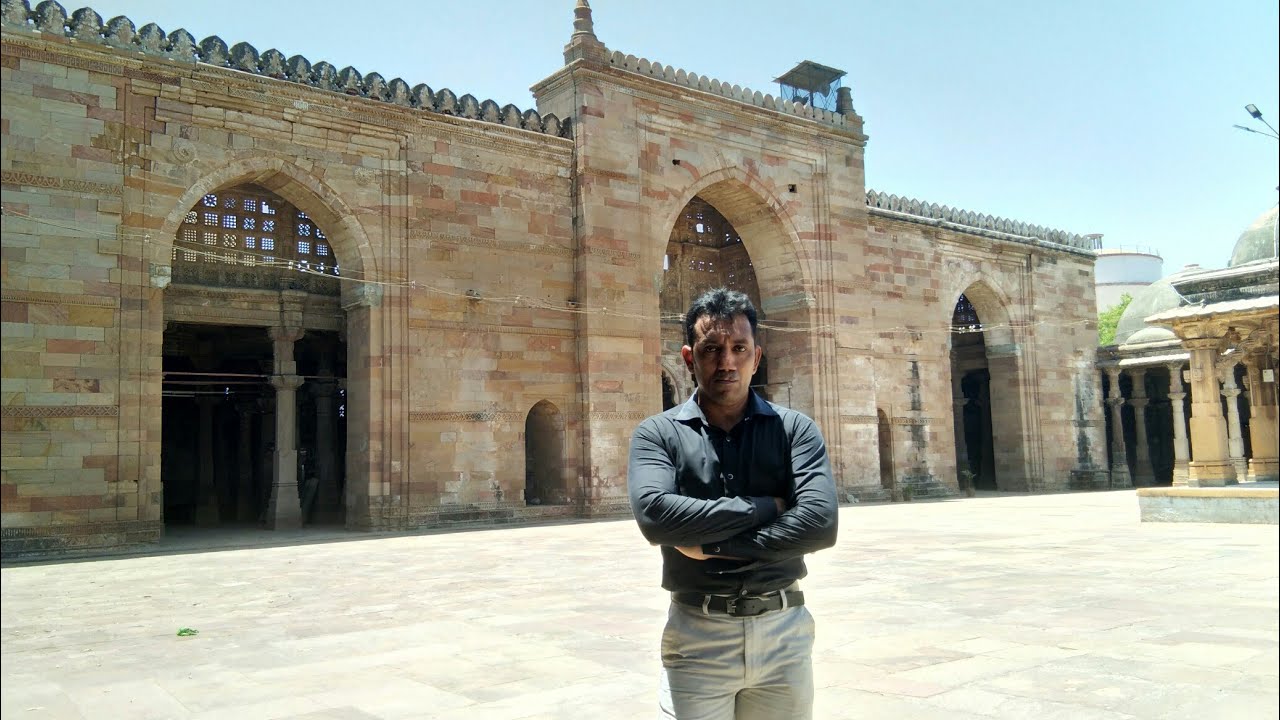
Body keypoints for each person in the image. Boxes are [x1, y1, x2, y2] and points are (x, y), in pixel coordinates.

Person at [627, 287, 839, 719]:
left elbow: (819, 524)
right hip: (698, 635)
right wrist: (768, 507)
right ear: (689, 358)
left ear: (756, 357)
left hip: (783, 631)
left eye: (738, 348)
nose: (726, 361)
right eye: (712, 349)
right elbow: (655, 517)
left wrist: (712, 545)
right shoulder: (658, 434)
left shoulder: (794, 430)